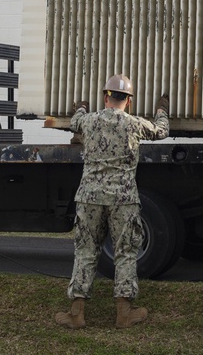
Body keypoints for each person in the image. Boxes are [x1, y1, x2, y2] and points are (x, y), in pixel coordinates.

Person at [55, 74, 170, 330]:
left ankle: (76, 313)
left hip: (89, 197)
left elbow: (75, 122)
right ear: (128, 101)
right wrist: (161, 110)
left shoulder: (89, 121)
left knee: (85, 251)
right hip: (123, 199)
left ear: (106, 97)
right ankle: (124, 312)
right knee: (126, 253)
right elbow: (161, 131)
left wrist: (82, 107)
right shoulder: (134, 123)